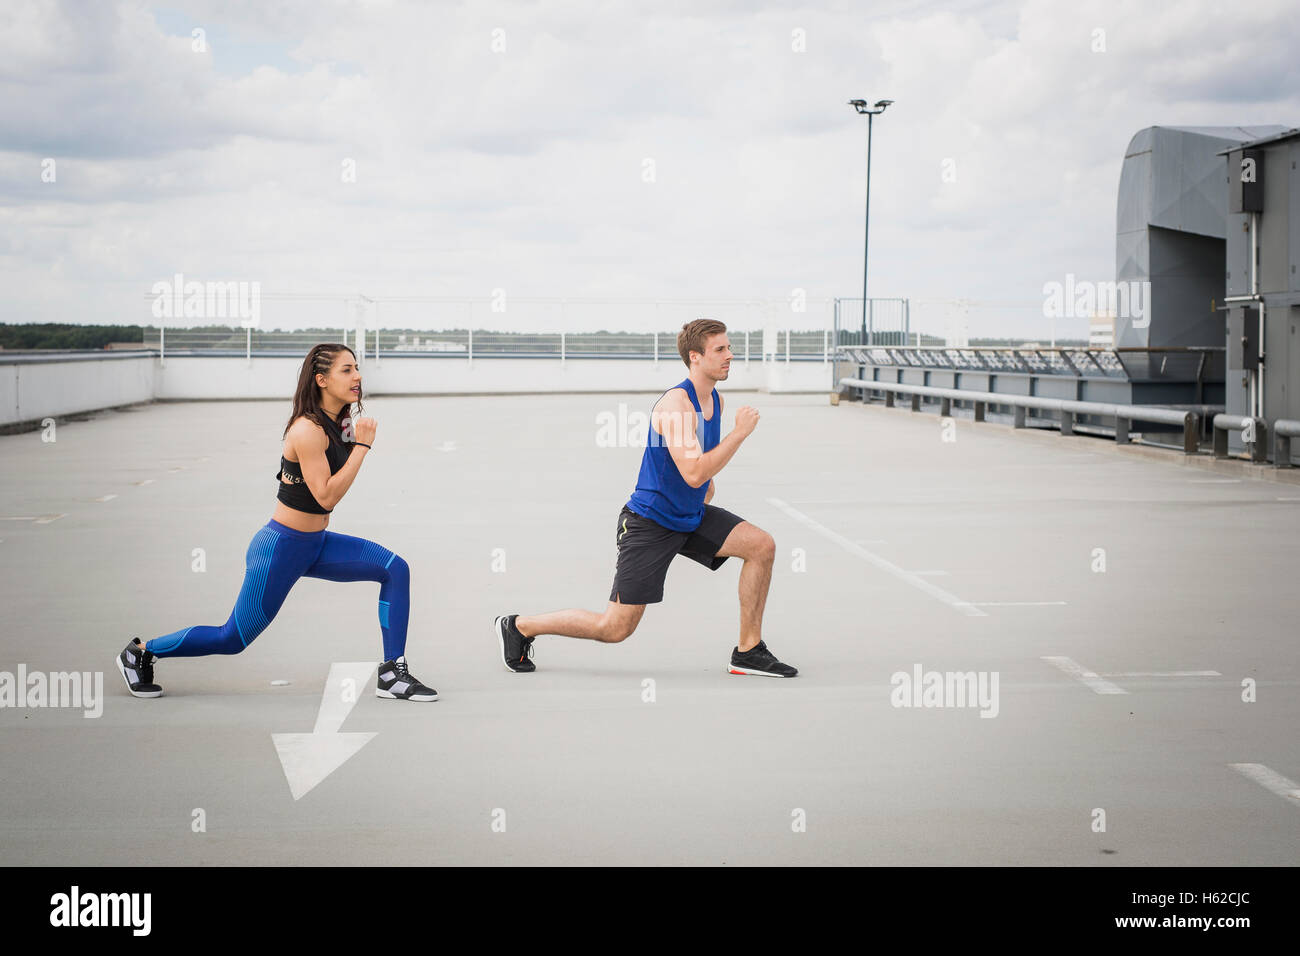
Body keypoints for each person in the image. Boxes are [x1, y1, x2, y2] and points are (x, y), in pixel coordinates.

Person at [116, 343, 438, 701]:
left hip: (316, 544)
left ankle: (392, 674)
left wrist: (350, 442)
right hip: (282, 547)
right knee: (232, 638)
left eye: (357, 368)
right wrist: (362, 447)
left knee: (395, 569)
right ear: (321, 380)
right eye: (347, 370)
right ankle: (141, 652)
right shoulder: (307, 430)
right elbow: (326, 497)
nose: (358, 376)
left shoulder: (339, 421)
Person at [496, 318, 797, 677]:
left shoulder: (713, 398)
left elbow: (700, 471)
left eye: (729, 347)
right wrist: (740, 434)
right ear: (695, 357)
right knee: (616, 627)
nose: (730, 355)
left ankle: (747, 651)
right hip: (649, 523)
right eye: (721, 349)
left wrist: (704, 487)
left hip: (689, 515)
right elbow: (695, 471)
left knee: (761, 546)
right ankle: (519, 627)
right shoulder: (676, 404)